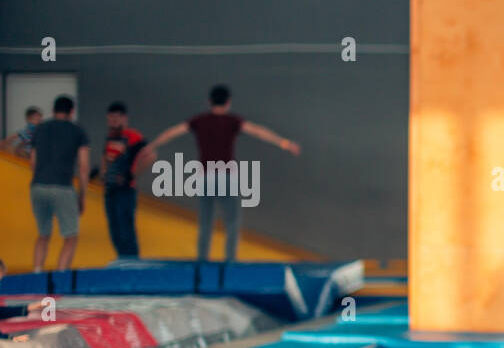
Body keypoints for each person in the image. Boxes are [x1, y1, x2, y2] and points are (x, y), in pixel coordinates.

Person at [146, 84, 301, 262]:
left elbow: (173, 132)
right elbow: (258, 131)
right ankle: (230, 262)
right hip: (226, 177)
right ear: (228, 102)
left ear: (210, 101)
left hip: (205, 177)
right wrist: (285, 143)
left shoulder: (200, 121)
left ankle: (202, 262)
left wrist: (152, 145)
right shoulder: (233, 121)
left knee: (205, 224)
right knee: (232, 223)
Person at [28, 95, 89, 272]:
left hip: (38, 186)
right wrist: (82, 197)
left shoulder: (40, 129)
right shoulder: (78, 131)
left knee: (43, 235)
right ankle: (61, 277)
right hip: (62, 186)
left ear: (54, 110)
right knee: (70, 236)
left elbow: (32, 162)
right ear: (71, 111)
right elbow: (83, 167)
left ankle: (37, 273)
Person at [101, 102, 150, 260]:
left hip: (125, 191)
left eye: (117, 117)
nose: (114, 120)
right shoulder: (110, 137)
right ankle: (123, 260)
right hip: (110, 190)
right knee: (114, 229)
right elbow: (106, 158)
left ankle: (132, 262)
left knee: (125, 229)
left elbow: (150, 155)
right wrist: (102, 173)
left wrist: (132, 174)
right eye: (111, 117)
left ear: (124, 118)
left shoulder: (132, 136)